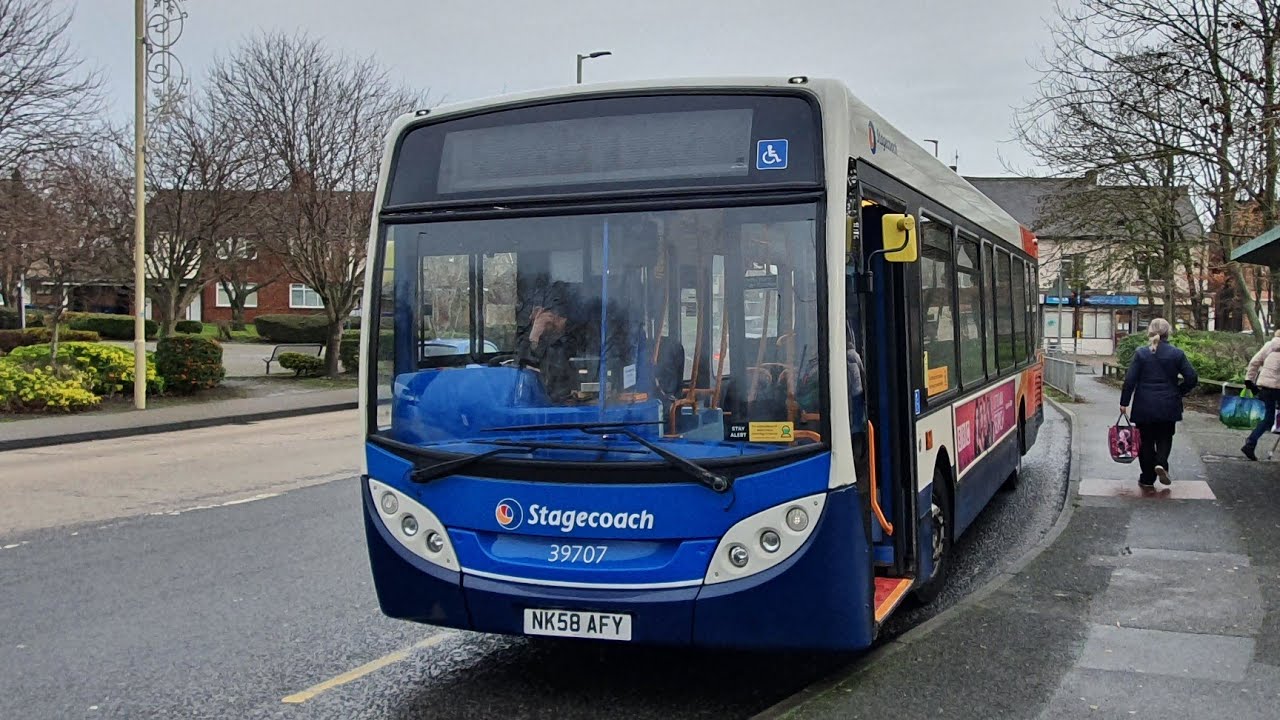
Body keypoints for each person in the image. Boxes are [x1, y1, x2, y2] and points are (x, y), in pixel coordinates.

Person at [1120, 318, 1198, 486]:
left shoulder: (1141, 353)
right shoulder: (1177, 354)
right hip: (1168, 404)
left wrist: (1124, 402)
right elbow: (1192, 377)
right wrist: (1179, 391)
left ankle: (1147, 477)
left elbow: (1130, 379)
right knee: (1165, 437)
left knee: (1146, 441)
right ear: (1167, 332)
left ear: (1150, 332)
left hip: (1144, 405)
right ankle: (1161, 463)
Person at [1241, 329, 1280, 460]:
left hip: (1265, 388)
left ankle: (1250, 443)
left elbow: (1254, 362)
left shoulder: (1270, 345)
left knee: (1268, 419)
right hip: (1277, 389)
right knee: (1270, 419)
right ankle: (1250, 443)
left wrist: (1249, 381)